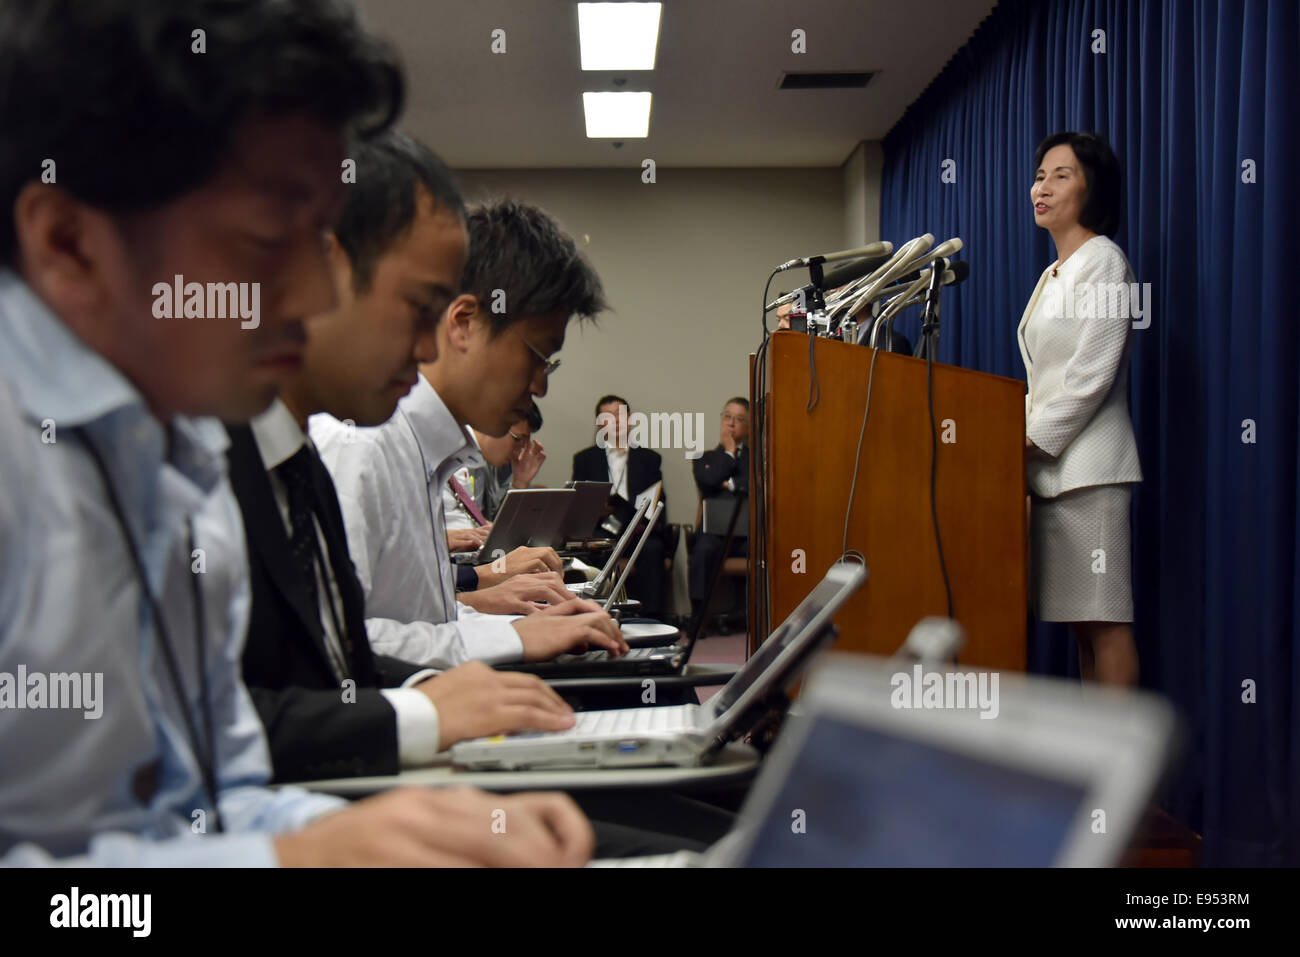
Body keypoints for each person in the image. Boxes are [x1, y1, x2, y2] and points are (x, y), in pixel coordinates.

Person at [0, 0, 591, 867]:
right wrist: (297, 859)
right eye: (268, 241)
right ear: (67, 242)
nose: (317, 296)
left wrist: (351, 838)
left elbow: (220, 798)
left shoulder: (182, 455)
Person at [228, 132, 579, 783]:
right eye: (419, 309)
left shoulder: (304, 461)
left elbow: (342, 665)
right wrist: (431, 705)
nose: (425, 351)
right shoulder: (346, 444)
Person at [313, 200, 629, 668]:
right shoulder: (362, 443)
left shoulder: (427, 451)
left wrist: (522, 628)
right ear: (464, 324)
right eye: (537, 357)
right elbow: (339, 641)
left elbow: (424, 622)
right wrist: (516, 640)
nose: (540, 385)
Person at [1019, 131, 1143, 686]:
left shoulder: (1106, 261)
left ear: (1093, 188)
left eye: (1060, 175)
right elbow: (1042, 379)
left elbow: (1092, 374)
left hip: (1091, 474)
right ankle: (1094, 761)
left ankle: (1124, 768)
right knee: (1079, 627)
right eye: (1040, 175)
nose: (1042, 187)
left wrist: (1030, 438)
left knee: (1106, 624)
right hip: (1050, 477)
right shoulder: (1051, 276)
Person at [572, 395, 670, 618]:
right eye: (608, 417)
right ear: (599, 424)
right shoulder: (585, 459)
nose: (615, 421)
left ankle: (652, 617)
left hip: (637, 530)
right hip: (602, 529)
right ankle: (599, 614)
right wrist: (597, 510)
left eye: (620, 415)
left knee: (653, 548)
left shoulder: (649, 459)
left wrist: (644, 523)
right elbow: (578, 504)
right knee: (595, 547)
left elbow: (657, 499)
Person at [444, 401, 546, 544]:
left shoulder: (491, 461)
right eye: (517, 440)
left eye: (524, 444)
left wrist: (520, 483)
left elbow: (495, 527)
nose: (519, 454)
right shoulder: (448, 456)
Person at [691, 397, 750, 622]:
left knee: (767, 548)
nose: (731, 423)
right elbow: (709, 480)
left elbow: (756, 486)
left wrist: (729, 484)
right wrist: (728, 453)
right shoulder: (704, 458)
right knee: (703, 550)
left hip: (747, 533)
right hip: (713, 533)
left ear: (747, 426)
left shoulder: (758, 457)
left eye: (739, 419)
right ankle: (699, 616)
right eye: (727, 417)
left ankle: (747, 613)